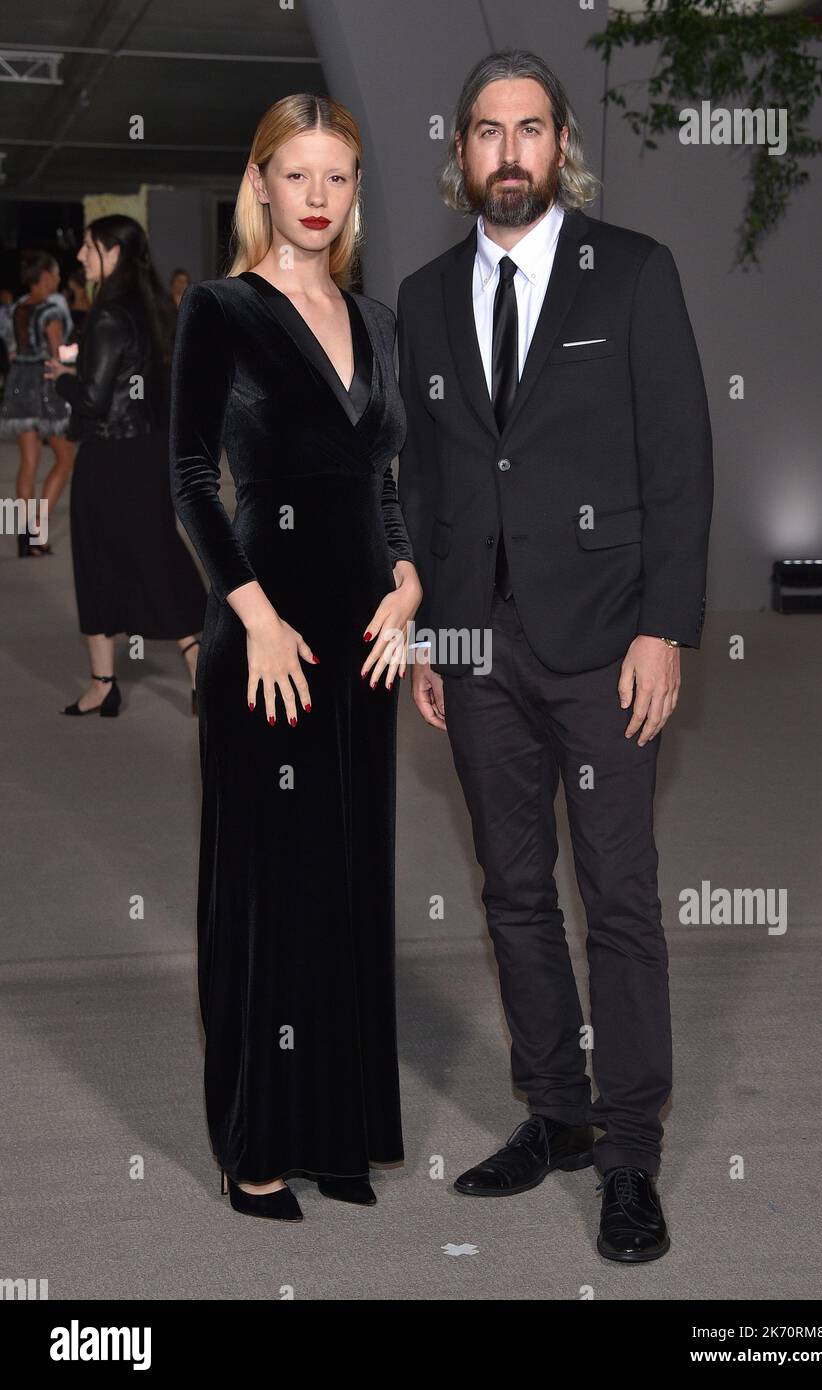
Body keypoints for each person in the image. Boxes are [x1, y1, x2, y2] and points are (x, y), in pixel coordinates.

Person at [397, 49, 713, 1263]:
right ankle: (555, 1110)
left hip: (603, 642)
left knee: (617, 897)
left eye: (529, 130)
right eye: (487, 132)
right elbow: (425, 478)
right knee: (513, 890)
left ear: (560, 144)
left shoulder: (629, 273)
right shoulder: (422, 297)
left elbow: (677, 461)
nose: (509, 153)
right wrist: (432, 633)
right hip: (476, 639)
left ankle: (627, 1153)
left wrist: (664, 628)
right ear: (461, 152)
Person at [169, 94, 422, 1221]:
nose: (318, 200)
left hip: (363, 641)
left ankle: (332, 1130)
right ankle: (253, 1137)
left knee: (348, 882)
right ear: (260, 181)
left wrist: (409, 580)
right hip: (268, 637)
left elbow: (387, 483)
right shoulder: (220, 309)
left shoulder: (374, 320)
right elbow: (185, 479)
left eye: (338, 179)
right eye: (299, 176)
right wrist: (253, 613)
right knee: (266, 891)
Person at [46, 216, 206, 716]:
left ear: (112, 251)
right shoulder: (157, 306)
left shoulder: (110, 313)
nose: (80, 258)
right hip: (150, 452)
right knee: (156, 553)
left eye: (89, 248)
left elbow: (93, 402)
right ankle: (203, 670)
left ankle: (103, 683)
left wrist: (62, 380)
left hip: (110, 456)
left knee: (96, 560)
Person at [0, 251, 76, 556]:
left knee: (28, 464)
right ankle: (37, 532)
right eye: (56, 273)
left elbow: (11, 352)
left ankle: (24, 534)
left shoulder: (15, 308)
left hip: (19, 383)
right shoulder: (49, 312)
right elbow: (59, 354)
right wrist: (78, 357)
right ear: (45, 276)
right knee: (65, 458)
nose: (58, 279)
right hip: (44, 384)